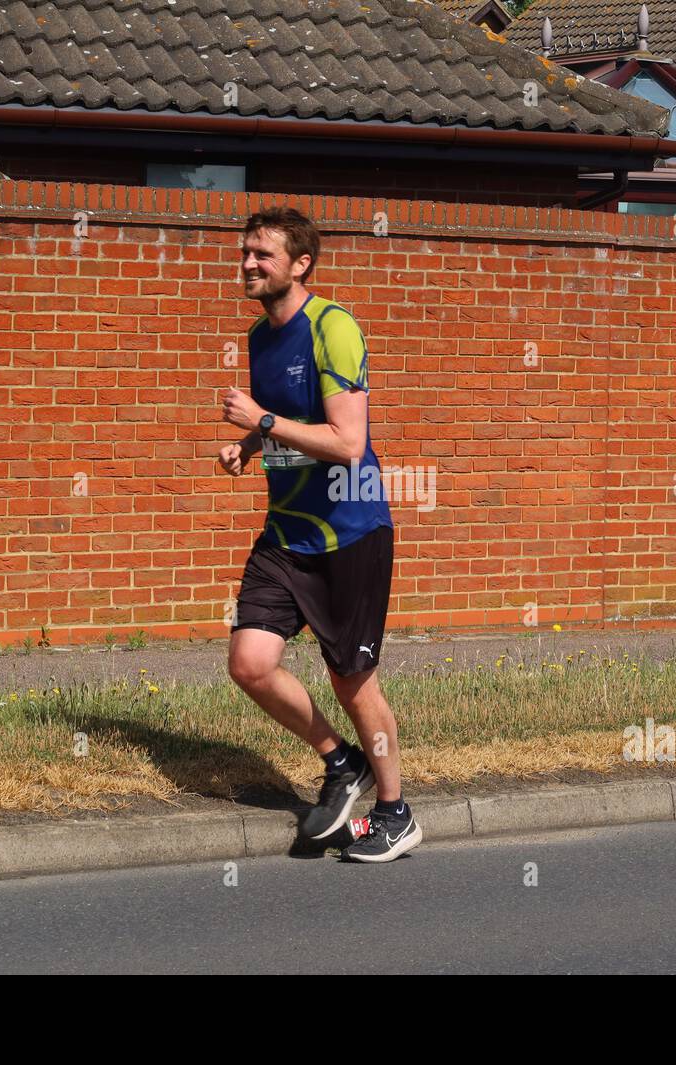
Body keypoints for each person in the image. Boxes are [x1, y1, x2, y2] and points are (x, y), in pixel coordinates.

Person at [217, 207, 421, 863]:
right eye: (246, 252)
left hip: (350, 530)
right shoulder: (258, 338)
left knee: (351, 680)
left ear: (301, 263)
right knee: (249, 662)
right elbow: (288, 425)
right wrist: (249, 444)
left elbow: (347, 442)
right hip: (287, 531)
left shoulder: (333, 327)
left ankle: (395, 813)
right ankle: (341, 762)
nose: (249, 263)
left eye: (262, 255)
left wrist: (263, 418)